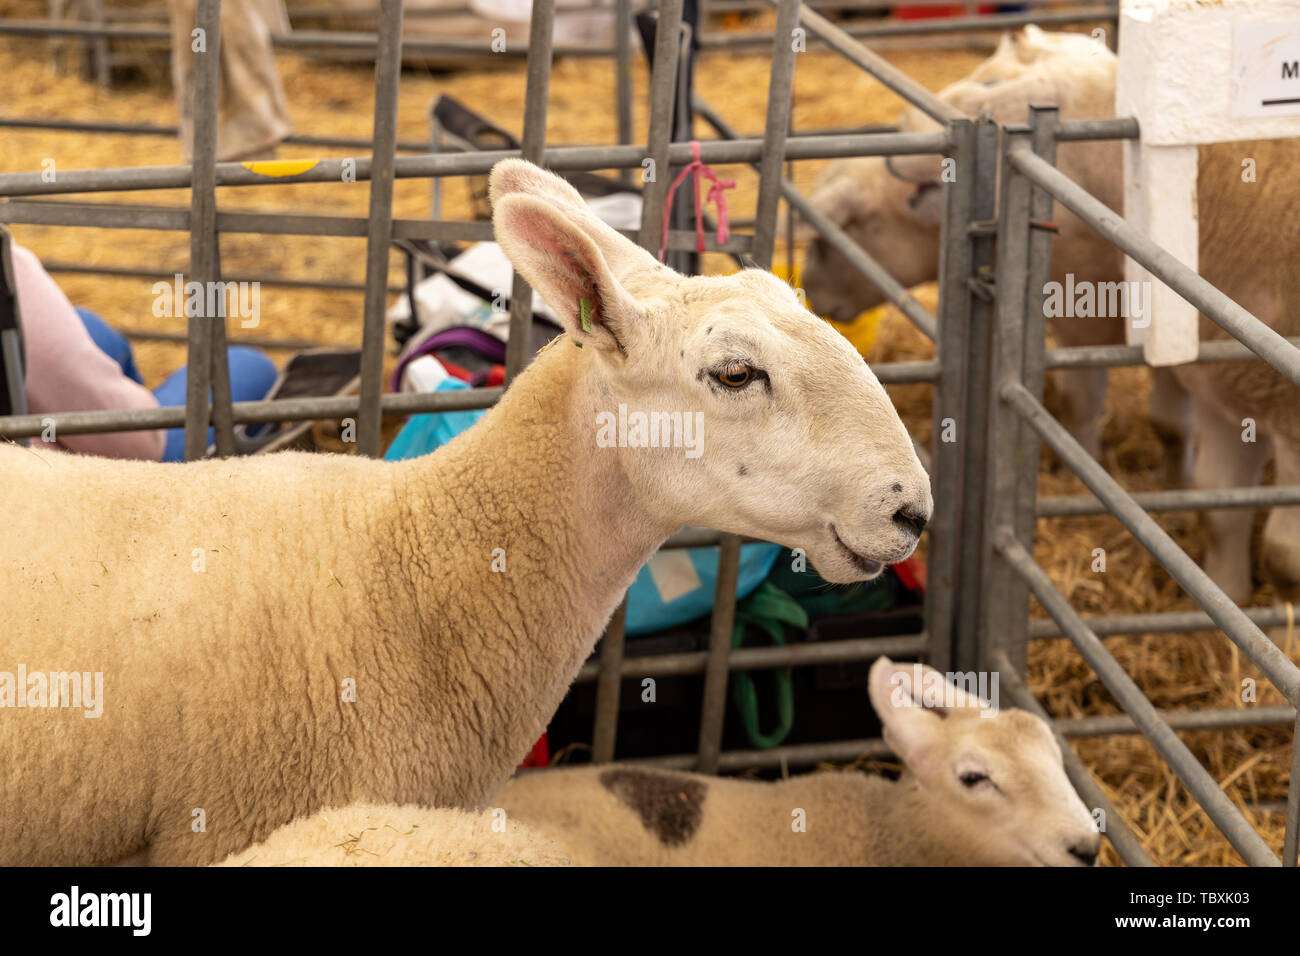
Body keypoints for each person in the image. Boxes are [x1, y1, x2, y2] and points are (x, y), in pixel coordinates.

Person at [10, 242, 277, 462]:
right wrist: (139, 413)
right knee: (250, 366)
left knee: (92, 327)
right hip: (45, 471)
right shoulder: (9, 270)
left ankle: (127, 391)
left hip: (24, 430)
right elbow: (132, 446)